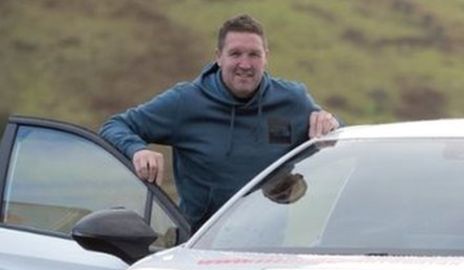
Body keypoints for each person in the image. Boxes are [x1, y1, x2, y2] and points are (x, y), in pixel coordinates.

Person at [100, 14, 341, 230]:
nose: (245, 64)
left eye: (254, 54)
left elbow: (339, 137)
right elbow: (115, 125)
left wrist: (331, 122)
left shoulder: (293, 100)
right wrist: (137, 149)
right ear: (218, 57)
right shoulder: (186, 101)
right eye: (235, 54)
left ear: (266, 57)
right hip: (200, 243)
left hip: (269, 244)